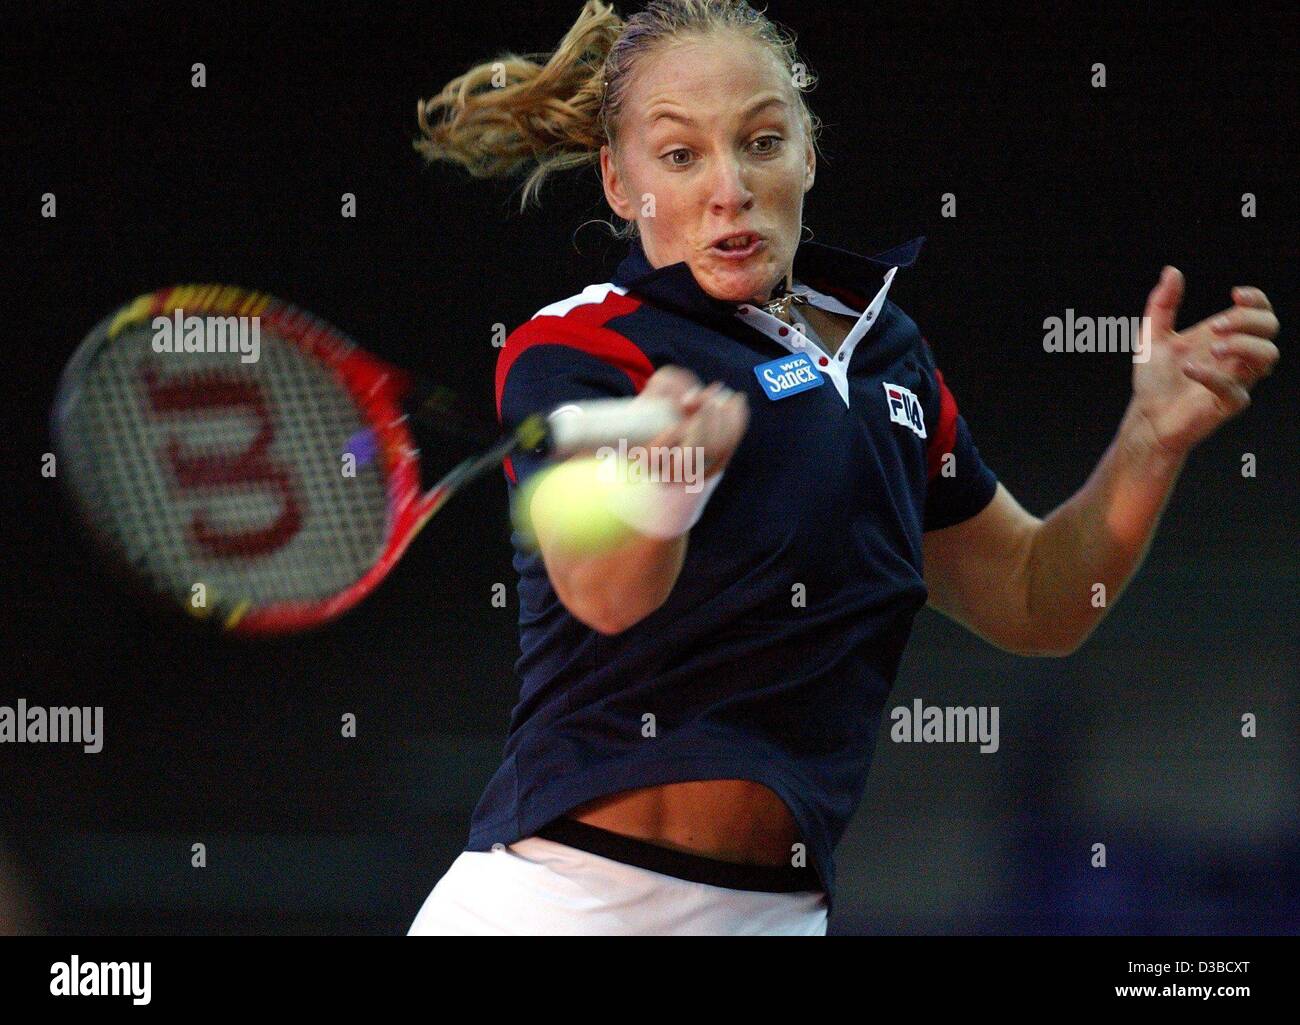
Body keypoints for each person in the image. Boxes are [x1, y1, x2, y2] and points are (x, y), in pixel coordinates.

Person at [406, 0, 1279, 935]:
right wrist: (664, 485)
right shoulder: (579, 349)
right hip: (563, 902)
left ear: (809, 154)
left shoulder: (887, 357)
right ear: (620, 184)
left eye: (763, 141)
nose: (729, 187)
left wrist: (1149, 443)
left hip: (777, 919)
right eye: (679, 156)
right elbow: (601, 589)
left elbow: (1037, 597)